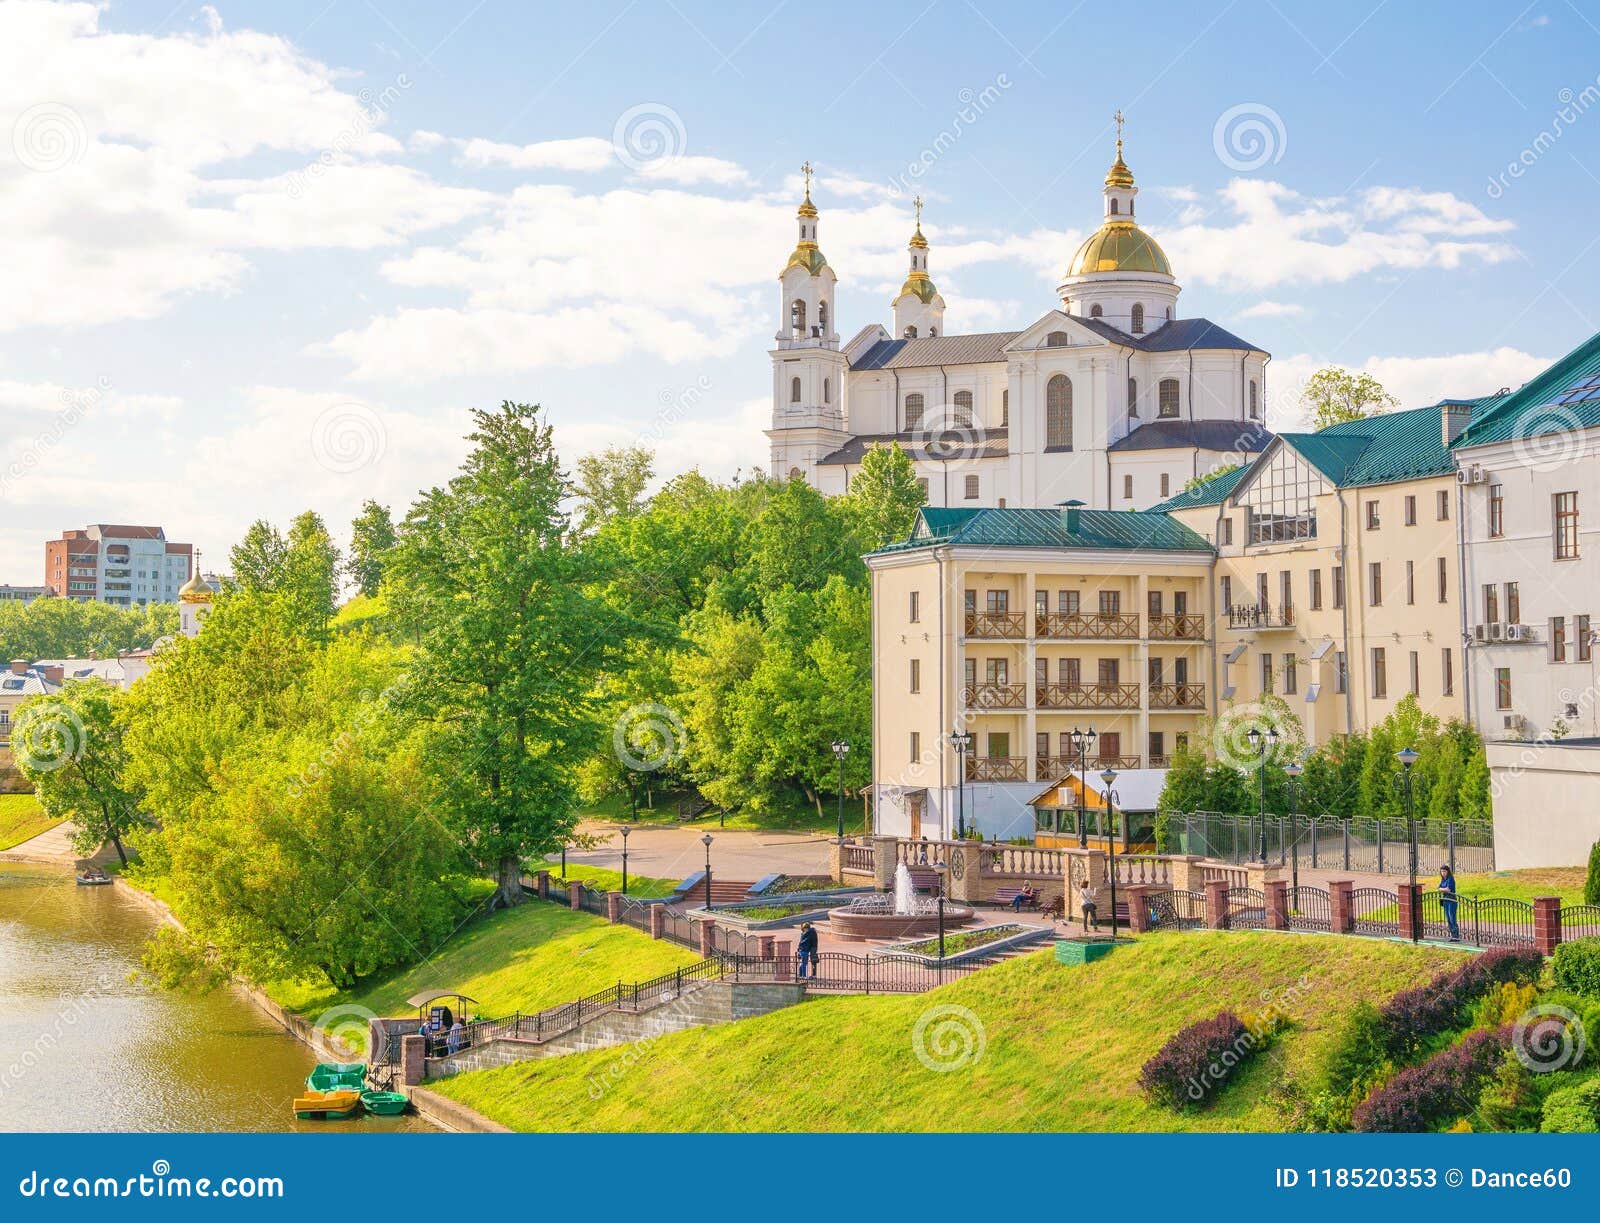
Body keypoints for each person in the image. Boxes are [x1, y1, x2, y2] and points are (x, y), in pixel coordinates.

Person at [1438, 865, 1461, 942]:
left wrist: (1442, 889)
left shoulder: (1450, 879)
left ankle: (1456, 936)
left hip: (1452, 900)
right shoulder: (1443, 880)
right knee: (1448, 918)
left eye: (1444, 871)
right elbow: (1438, 888)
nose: (1443, 873)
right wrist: (1443, 889)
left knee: (1452, 918)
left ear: (1448, 872)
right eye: (1441, 871)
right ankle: (1453, 936)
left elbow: (1448, 889)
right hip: (1445, 900)